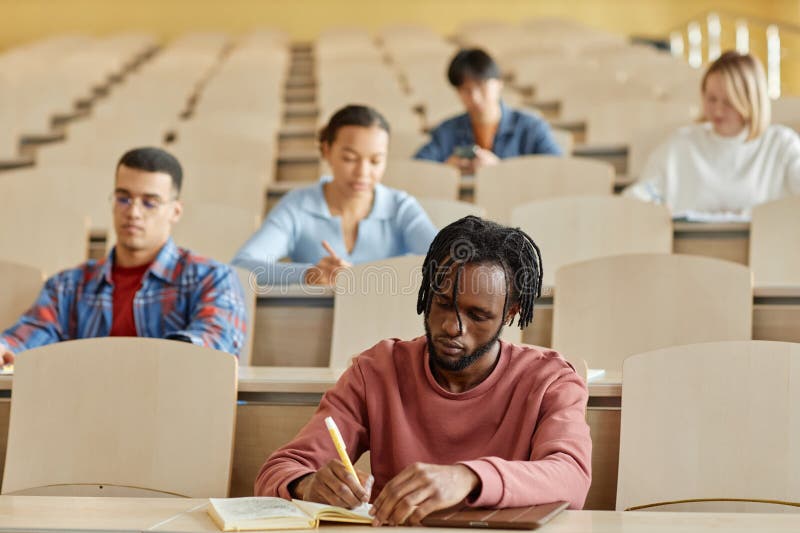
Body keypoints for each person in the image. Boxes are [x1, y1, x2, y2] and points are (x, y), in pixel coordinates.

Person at [255, 216, 592, 525]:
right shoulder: (376, 371)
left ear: (510, 313)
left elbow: (572, 479)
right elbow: (277, 471)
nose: (452, 327)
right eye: (443, 303)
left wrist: (468, 477)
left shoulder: (551, 380)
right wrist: (307, 485)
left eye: (477, 316)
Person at [0, 147, 247, 363]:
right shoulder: (67, 286)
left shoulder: (213, 279)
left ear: (175, 211)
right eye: (123, 198)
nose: (133, 212)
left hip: (173, 411)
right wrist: (5, 348)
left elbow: (214, 347)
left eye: (150, 202)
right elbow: (29, 335)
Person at [233, 105, 438, 286]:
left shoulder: (401, 207)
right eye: (350, 158)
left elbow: (445, 264)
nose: (362, 172)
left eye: (375, 161)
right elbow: (242, 266)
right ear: (327, 151)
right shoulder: (297, 205)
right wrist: (309, 274)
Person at [625, 51, 800, 215]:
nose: (717, 111)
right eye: (711, 99)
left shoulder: (782, 144)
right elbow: (638, 197)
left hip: (765, 245)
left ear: (750, 101)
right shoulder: (681, 143)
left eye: (729, 102)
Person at [414, 48, 563, 175]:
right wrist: (445, 170)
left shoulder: (531, 127)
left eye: (481, 85)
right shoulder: (446, 130)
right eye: (466, 90)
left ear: (499, 83)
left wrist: (501, 170)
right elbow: (417, 170)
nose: (475, 97)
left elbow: (558, 172)